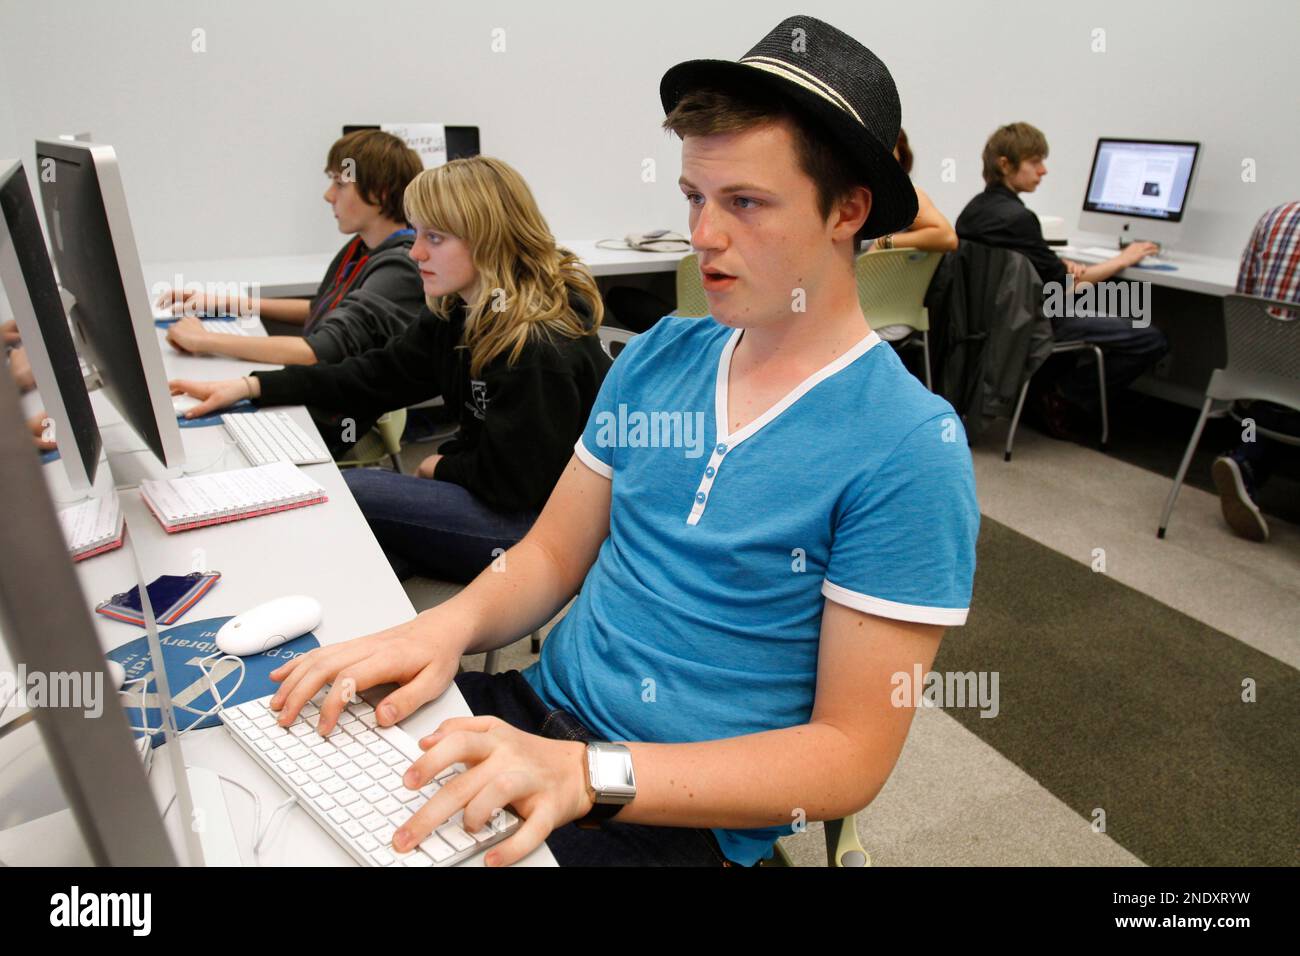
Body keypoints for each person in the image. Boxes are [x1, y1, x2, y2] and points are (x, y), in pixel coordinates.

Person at [263, 16, 979, 868]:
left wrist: (587, 773)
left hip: (672, 810)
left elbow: (848, 758)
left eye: (744, 203)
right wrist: (440, 632)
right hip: (531, 715)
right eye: (693, 198)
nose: (703, 234)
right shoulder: (663, 355)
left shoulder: (908, 447)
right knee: (283, 787)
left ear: (848, 211)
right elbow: (551, 557)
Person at [169, 157, 611, 582]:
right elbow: (370, 377)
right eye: (417, 233)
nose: (416, 252)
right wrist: (251, 386)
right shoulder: (455, 313)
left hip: (540, 529)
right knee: (362, 546)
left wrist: (438, 467)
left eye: (434, 238)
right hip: (488, 493)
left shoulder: (536, 346)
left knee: (345, 493)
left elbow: (518, 486)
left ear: (488, 238)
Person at [956, 122, 1168, 436]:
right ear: (1005, 164)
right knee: (1150, 336)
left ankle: (1047, 396)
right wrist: (1124, 260)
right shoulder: (1020, 219)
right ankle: (1064, 396)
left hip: (992, 321)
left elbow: (1021, 263)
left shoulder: (972, 211)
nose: (1043, 171)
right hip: (1036, 320)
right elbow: (1065, 289)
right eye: (1035, 162)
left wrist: (1056, 265)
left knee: (1106, 301)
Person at [157, 130, 424, 367]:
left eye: (340, 184)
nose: (328, 195)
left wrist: (204, 340)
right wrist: (226, 303)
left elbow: (316, 352)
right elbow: (322, 309)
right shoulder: (362, 246)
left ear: (381, 193)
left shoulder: (399, 266)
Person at [1211, 200, 1300, 542]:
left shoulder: (1276, 216)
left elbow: (1244, 296)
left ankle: (1245, 462)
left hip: (1254, 376)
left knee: (1271, 401)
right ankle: (1247, 462)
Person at [866, 129, 957, 254]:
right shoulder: (853, 192)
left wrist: (884, 242)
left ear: (900, 157)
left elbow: (947, 237)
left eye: (888, 150)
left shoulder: (902, 196)